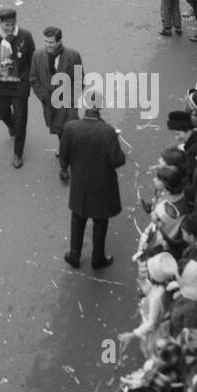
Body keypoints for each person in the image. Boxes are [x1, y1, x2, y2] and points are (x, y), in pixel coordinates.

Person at [59, 86, 125, 270]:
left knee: (77, 220)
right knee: (100, 222)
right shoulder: (108, 131)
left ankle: (74, 255)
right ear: (100, 107)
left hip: (80, 183)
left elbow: (63, 155)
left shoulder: (71, 128)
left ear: (85, 105)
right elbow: (117, 161)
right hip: (102, 185)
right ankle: (98, 259)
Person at [0, 7, 36, 168]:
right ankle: (11, 126)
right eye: (6, 25)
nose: (10, 28)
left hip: (20, 84)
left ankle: (18, 154)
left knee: (21, 119)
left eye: (12, 24)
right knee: (1, 111)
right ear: (0, 23)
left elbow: (33, 59)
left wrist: (33, 81)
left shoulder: (25, 36)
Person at [29, 26, 84, 180]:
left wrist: (72, 98)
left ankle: (64, 166)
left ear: (60, 41)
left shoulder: (73, 56)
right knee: (61, 132)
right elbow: (33, 78)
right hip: (50, 104)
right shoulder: (38, 56)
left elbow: (79, 79)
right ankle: (66, 152)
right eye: (46, 42)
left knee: (67, 131)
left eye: (51, 42)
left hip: (68, 103)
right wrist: (44, 96)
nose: (48, 45)